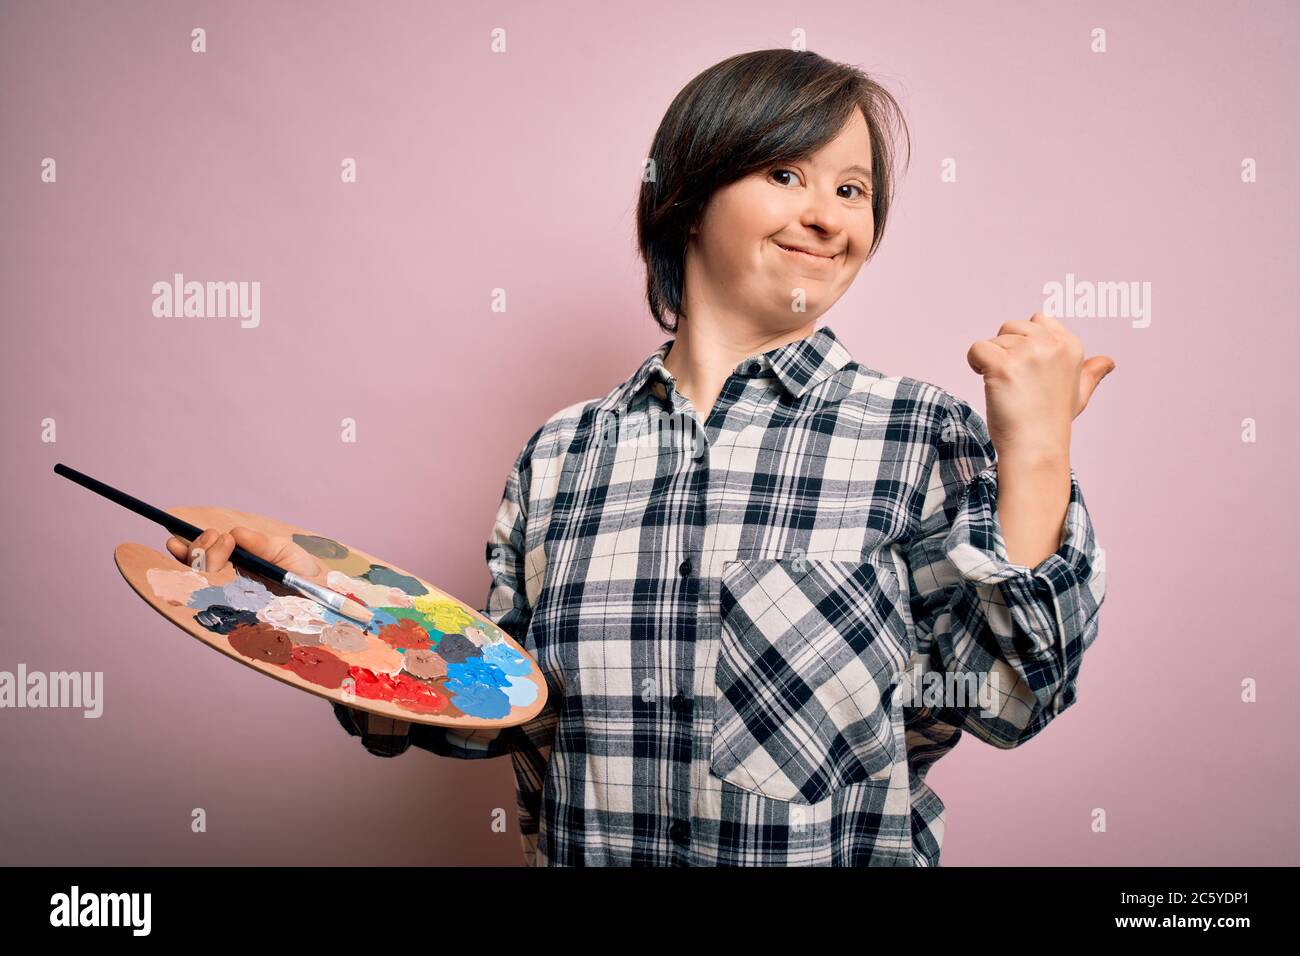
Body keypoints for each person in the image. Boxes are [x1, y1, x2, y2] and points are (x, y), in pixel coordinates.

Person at [165, 48, 1112, 866]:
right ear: (689, 198)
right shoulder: (561, 455)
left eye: (852, 189)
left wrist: (1036, 450)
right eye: (787, 174)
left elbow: (1008, 699)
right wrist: (305, 601)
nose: (828, 215)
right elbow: (500, 703)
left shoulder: (916, 436)